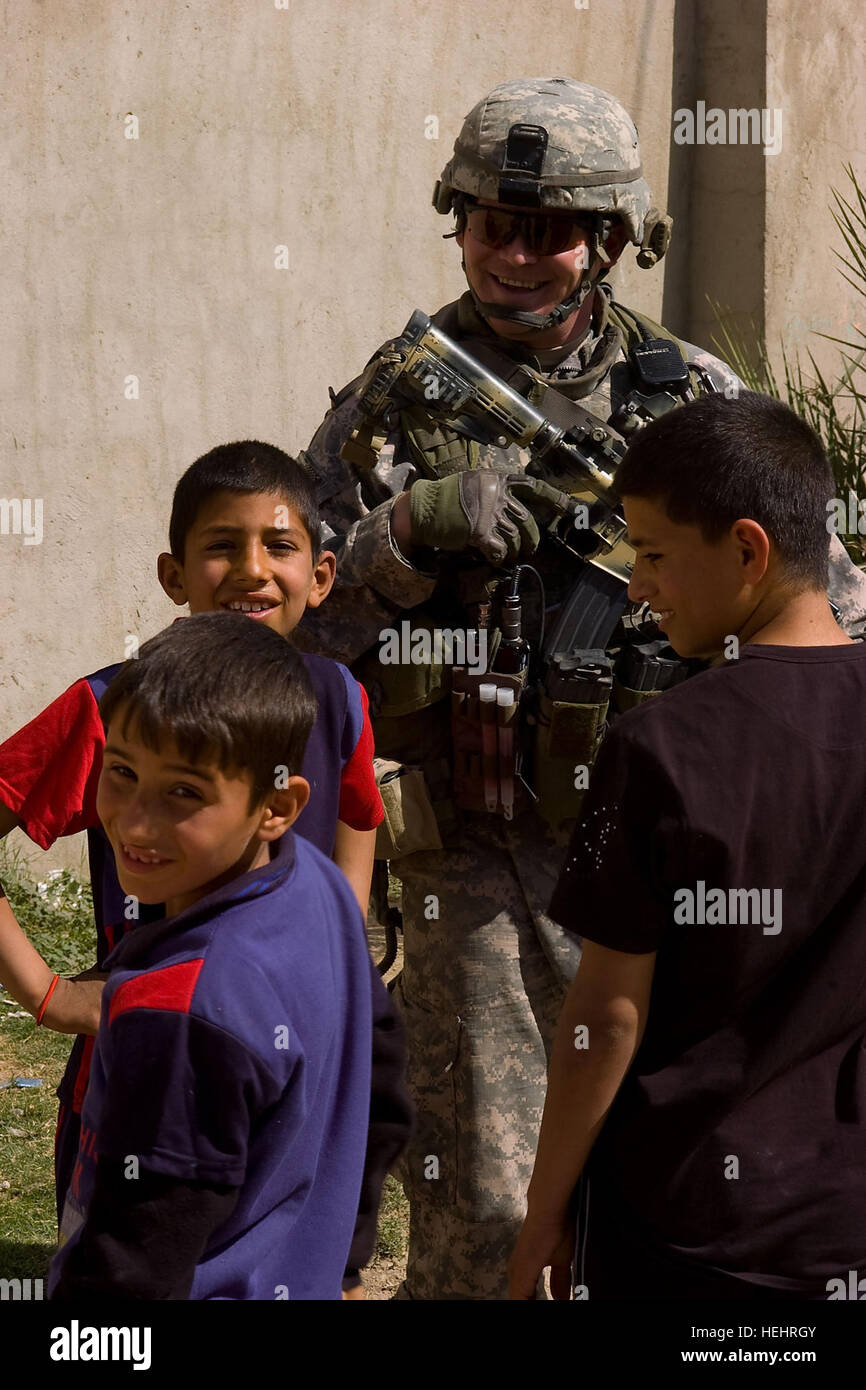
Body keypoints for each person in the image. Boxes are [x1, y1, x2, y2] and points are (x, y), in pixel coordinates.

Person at [294, 76, 866, 1299]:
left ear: (610, 240)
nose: (513, 253)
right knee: (491, 1207)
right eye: (489, 222)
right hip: (483, 858)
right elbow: (293, 628)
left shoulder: (694, 397)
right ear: (455, 222)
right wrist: (398, 536)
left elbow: (829, 602)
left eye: (548, 228)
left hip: (672, 844)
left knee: (669, 1160)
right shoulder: (394, 403)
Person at [0, 440, 401, 1294]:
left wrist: (334, 955)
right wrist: (45, 988)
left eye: (278, 545)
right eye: (221, 545)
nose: (250, 570)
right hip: (150, 1052)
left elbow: (360, 814)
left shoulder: (337, 698)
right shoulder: (114, 701)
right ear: (173, 574)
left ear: (322, 575)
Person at [509, 392, 866, 1300]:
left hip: (683, 1228)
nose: (635, 588)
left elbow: (606, 1017)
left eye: (656, 557)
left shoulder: (657, 746)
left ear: (748, 549)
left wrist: (544, 1213)